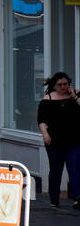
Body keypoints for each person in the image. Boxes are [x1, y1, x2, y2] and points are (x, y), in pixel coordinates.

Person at [37, 71, 80, 209]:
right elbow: (41, 120)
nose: (63, 87)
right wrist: (45, 134)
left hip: (73, 140)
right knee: (56, 169)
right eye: (60, 84)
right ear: (54, 85)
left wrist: (74, 96)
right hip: (54, 141)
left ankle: (77, 196)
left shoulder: (76, 96)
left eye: (66, 84)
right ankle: (54, 198)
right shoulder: (47, 99)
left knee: (74, 169)